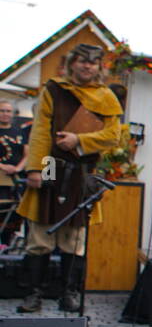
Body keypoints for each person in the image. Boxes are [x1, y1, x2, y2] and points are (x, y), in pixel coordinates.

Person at [14, 44, 123, 313]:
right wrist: (35, 169)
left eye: (93, 63)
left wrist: (80, 140)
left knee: (74, 238)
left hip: (82, 170)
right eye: (82, 61)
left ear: (99, 67)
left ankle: (69, 293)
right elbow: (40, 131)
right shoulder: (53, 90)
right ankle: (33, 294)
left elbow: (113, 136)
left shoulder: (106, 96)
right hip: (51, 163)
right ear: (72, 63)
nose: (87, 66)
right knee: (40, 234)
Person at [0, 99, 28, 248]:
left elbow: (28, 153)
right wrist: (2, 166)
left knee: (13, 216)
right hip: (0, 177)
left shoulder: (21, 132)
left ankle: (6, 246)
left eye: (8, 111)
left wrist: (17, 168)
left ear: (13, 114)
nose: (5, 114)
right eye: (2, 111)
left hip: (16, 179)